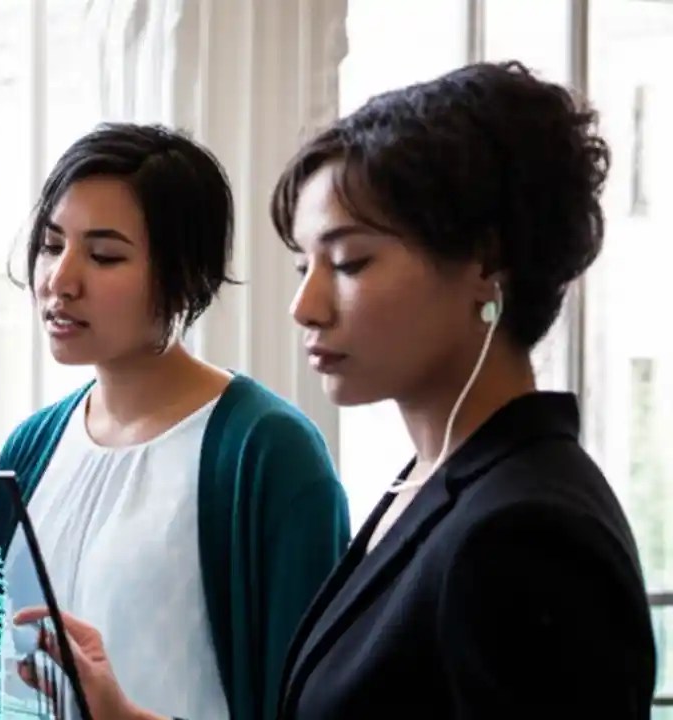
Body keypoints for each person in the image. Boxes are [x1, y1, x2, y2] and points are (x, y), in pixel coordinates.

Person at [266, 61, 656, 717]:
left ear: (485, 263)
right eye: (305, 266)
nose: (305, 306)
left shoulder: (527, 531)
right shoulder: (437, 480)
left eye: (348, 262)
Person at [0, 123, 350, 720]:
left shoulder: (266, 453)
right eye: (53, 245)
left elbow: (310, 707)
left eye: (104, 255)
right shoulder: (29, 448)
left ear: (185, 274)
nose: (61, 281)